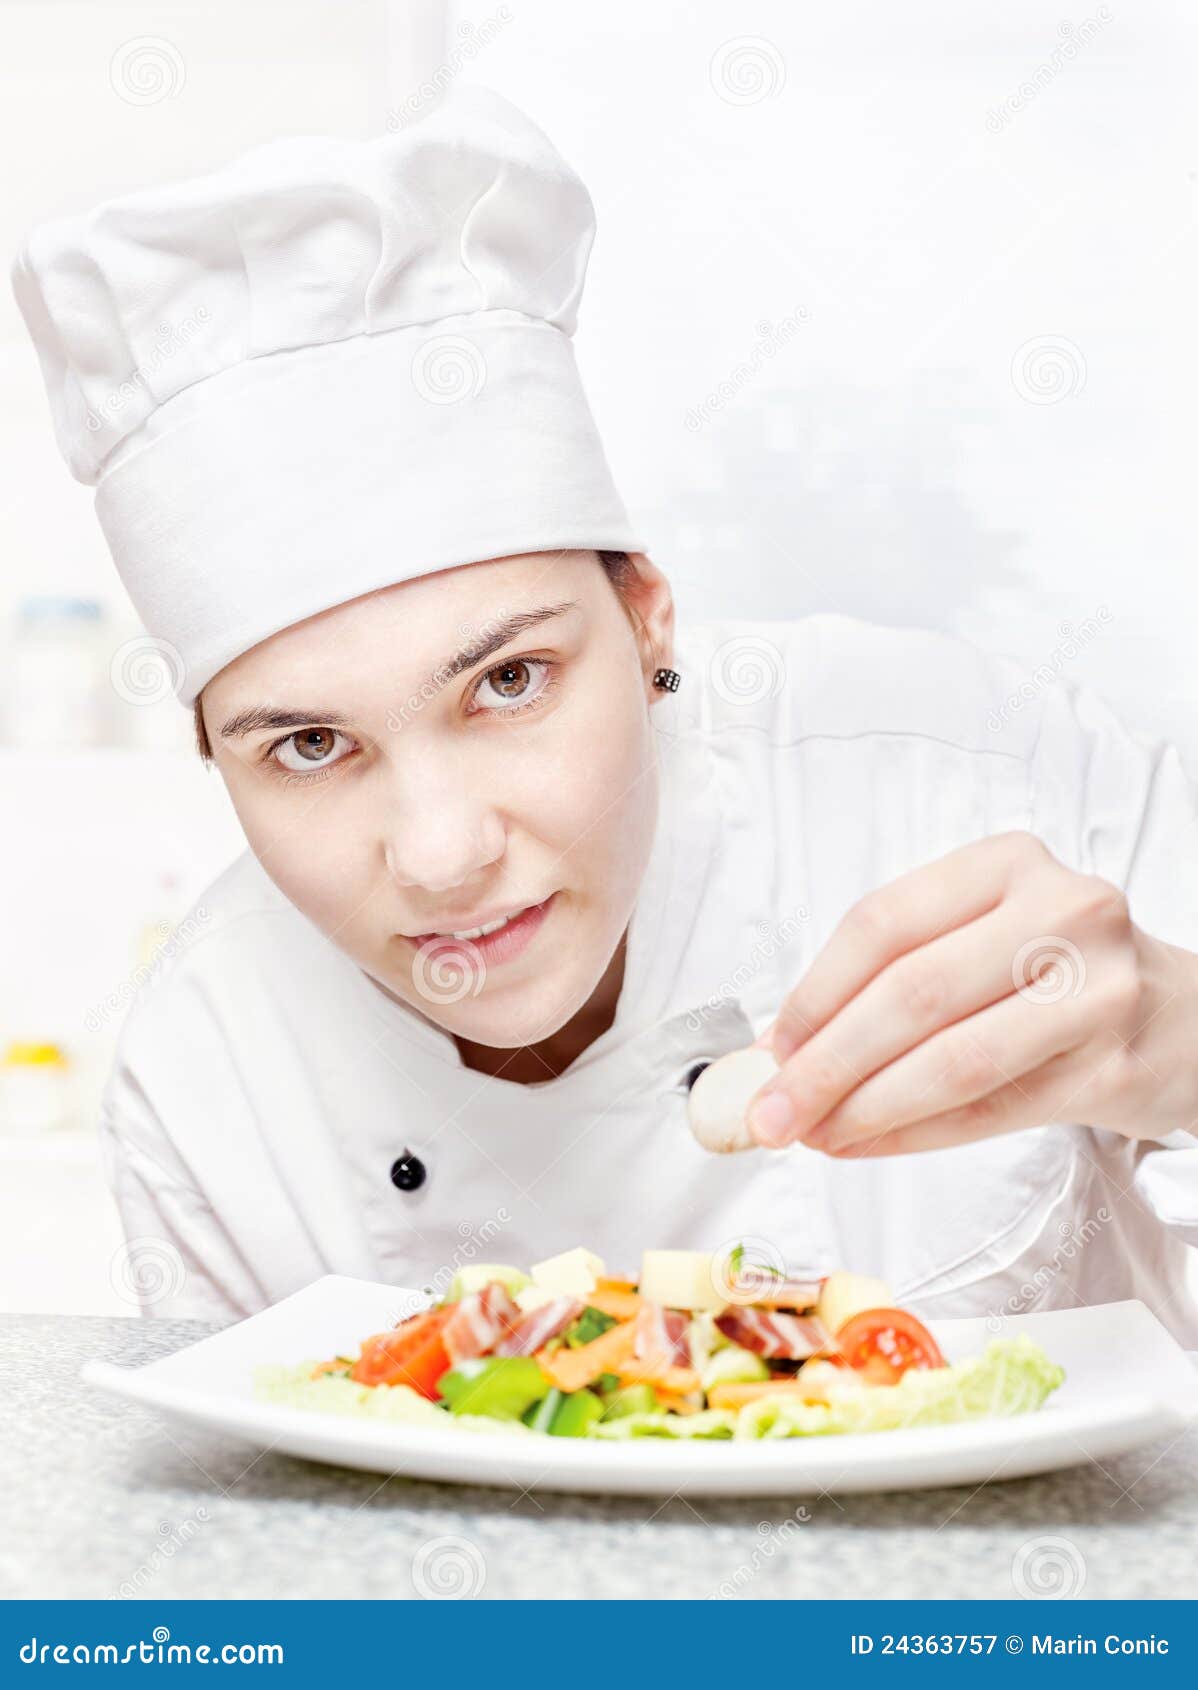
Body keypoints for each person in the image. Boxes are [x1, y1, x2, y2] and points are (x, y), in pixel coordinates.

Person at [14, 89, 1198, 1338]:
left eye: (507, 681)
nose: (441, 856)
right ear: (210, 754)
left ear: (646, 619)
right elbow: (256, 1465)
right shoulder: (209, 1068)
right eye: (310, 746)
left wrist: (1183, 1053)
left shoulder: (982, 774)